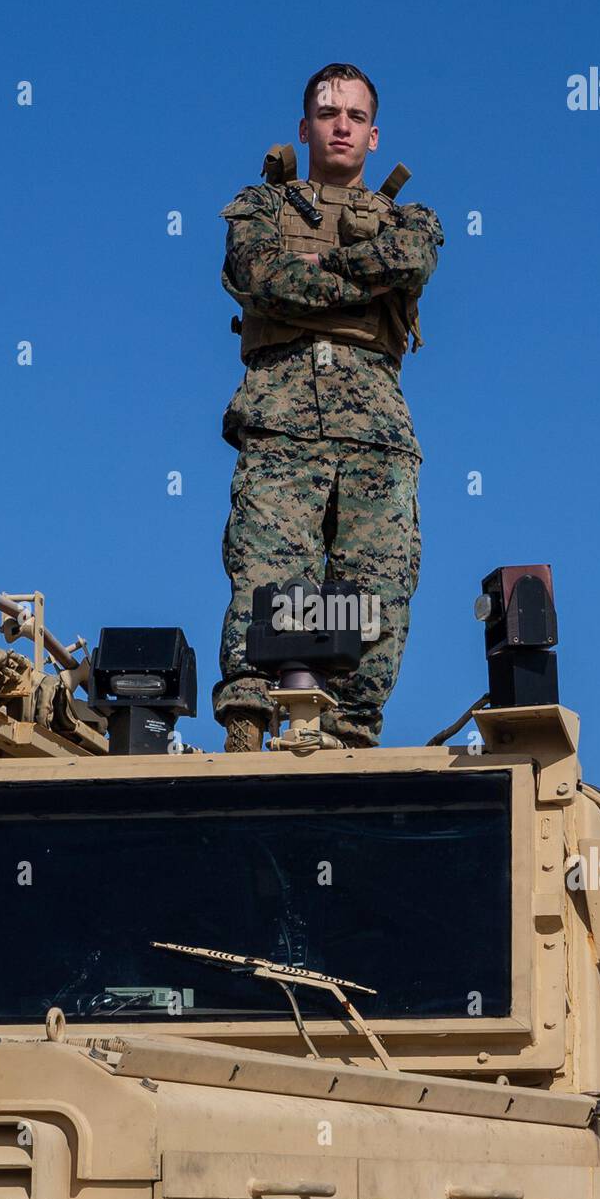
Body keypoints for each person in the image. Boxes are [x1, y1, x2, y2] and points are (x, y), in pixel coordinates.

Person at [213, 62, 444, 752]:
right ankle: (249, 727)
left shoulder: (410, 219)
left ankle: (347, 736)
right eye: (326, 112)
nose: (340, 124)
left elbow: (409, 262)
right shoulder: (259, 207)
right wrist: (353, 282)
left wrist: (319, 277)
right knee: (266, 575)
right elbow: (260, 277)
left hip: (376, 430)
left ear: (374, 136)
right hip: (281, 419)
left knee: (378, 585)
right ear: (304, 127)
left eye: (354, 116)